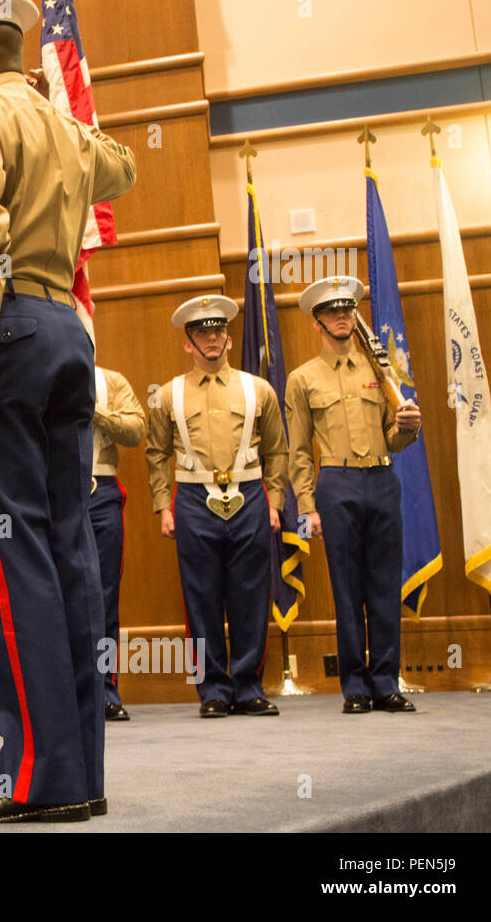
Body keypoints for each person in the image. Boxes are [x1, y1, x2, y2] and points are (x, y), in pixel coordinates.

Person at [0, 0, 136, 823]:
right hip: (66, 332)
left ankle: (34, 776)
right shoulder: (64, 127)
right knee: (65, 552)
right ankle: (78, 774)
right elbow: (125, 166)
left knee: (10, 562)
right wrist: (58, 117)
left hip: (3, 335)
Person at [145, 295, 289, 720]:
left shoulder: (257, 389)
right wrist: (161, 506)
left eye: (219, 330)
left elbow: (278, 452)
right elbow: (155, 453)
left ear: (228, 338)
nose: (213, 338)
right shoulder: (168, 394)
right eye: (202, 332)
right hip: (192, 499)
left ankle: (248, 686)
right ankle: (212, 690)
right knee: (201, 599)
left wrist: (275, 501)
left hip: (250, 498)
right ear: (188, 343)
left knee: (251, 594)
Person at [284, 276, 422, 714]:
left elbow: (391, 437)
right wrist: (306, 509)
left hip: (381, 480)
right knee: (346, 589)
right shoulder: (302, 379)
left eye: (347, 309)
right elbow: (299, 451)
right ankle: (355, 686)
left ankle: (386, 681)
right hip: (337, 484)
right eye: (332, 311)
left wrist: (408, 429)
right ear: (317, 321)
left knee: (384, 584)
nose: (341, 316)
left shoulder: (380, 371)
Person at [89, 365, 145, 721]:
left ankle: (106, 690)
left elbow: (136, 431)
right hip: (51, 492)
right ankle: (64, 694)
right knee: (55, 599)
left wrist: (94, 409)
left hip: (101, 488)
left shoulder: (110, 381)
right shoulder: (38, 368)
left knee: (105, 598)